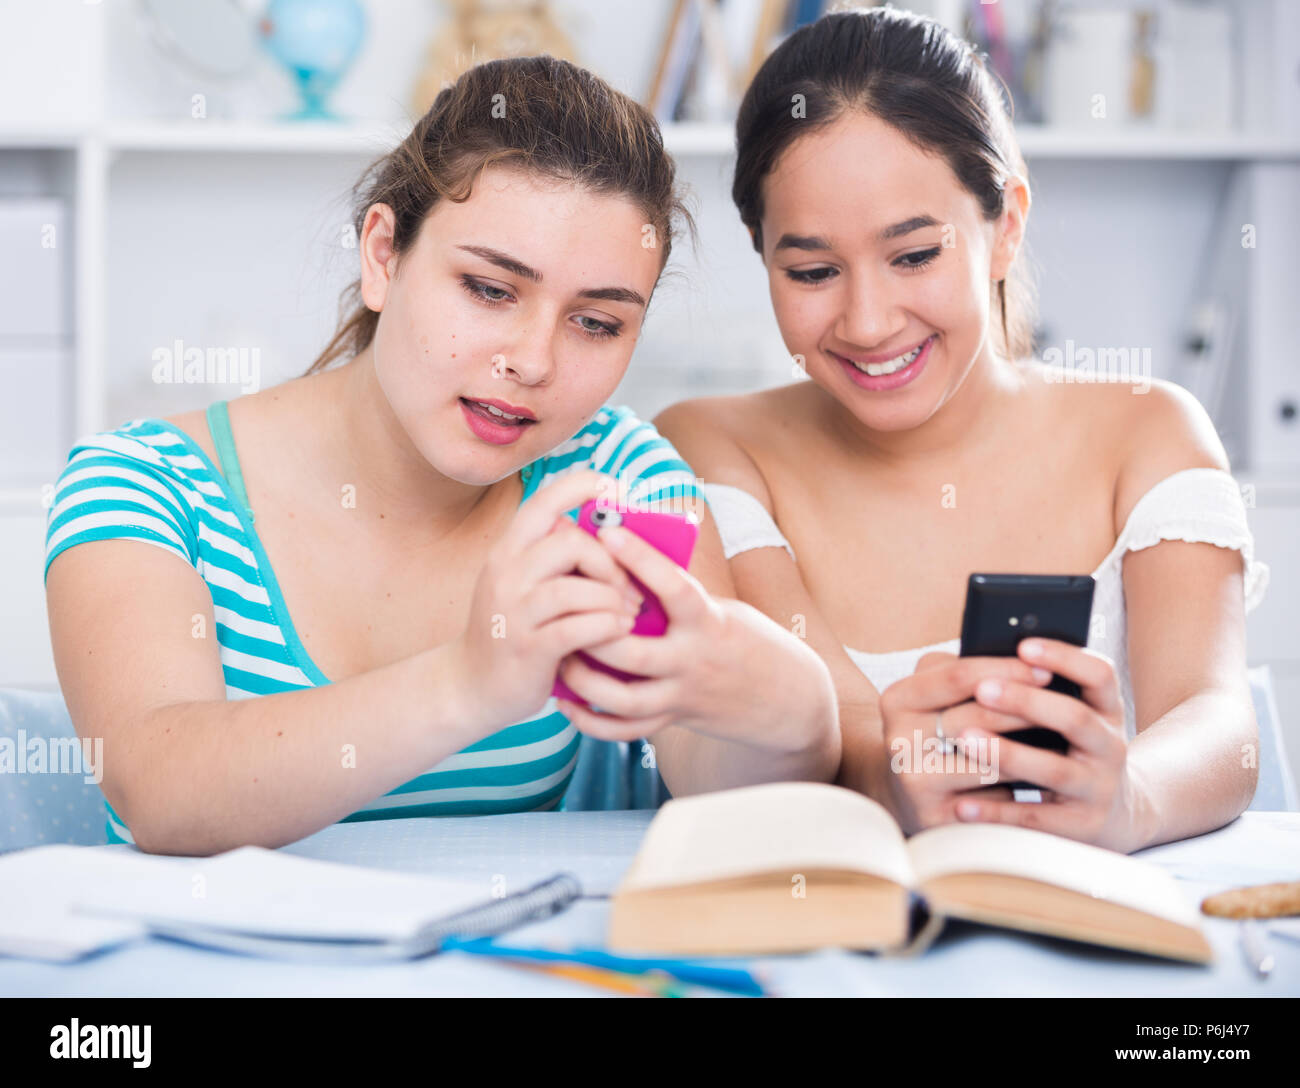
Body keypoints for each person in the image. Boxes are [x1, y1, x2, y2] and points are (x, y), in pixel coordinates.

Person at [43, 56, 839, 856]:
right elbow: (160, 788)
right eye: (491, 290)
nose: (533, 361)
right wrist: (468, 683)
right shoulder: (145, 484)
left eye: (597, 322)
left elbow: (708, 776)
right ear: (383, 255)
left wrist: (795, 716)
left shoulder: (621, 481)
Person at [655, 7, 1268, 853]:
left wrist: (1133, 798)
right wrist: (897, 785)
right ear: (763, 258)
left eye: (914, 256)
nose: (868, 323)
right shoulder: (708, 447)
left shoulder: (1147, 431)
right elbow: (826, 728)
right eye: (812, 271)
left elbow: (1217, 721)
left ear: (1005, 225)